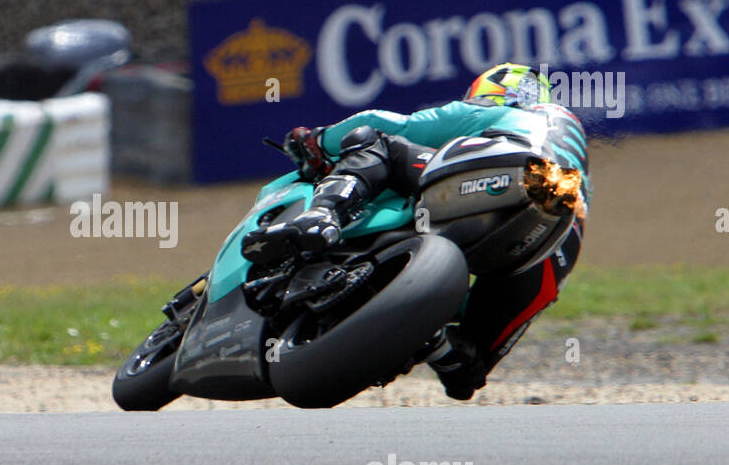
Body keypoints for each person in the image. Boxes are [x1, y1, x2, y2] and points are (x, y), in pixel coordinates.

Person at [241, 63, 589, 401]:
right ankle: (439, 346)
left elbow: (396, 124)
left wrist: (318, 141)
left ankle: (322, 215)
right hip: (558, 237)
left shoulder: (515, 112)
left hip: (509, 170)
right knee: (468, 368)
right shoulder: (571, 155)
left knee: (378, 144)